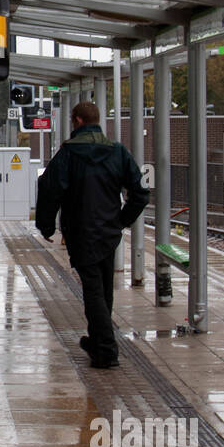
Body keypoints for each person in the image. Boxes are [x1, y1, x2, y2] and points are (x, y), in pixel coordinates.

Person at [35, 101, 149, 369]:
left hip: (80, 232)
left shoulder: (67, 155)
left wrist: (47, 226)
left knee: (94, 292)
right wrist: (121, 220)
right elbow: (141, 193)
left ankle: (107, 349)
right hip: (109, 234)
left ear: (76, 121)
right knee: (103, 289)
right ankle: (98, 343)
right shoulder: (118, 152)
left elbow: (49, 189)